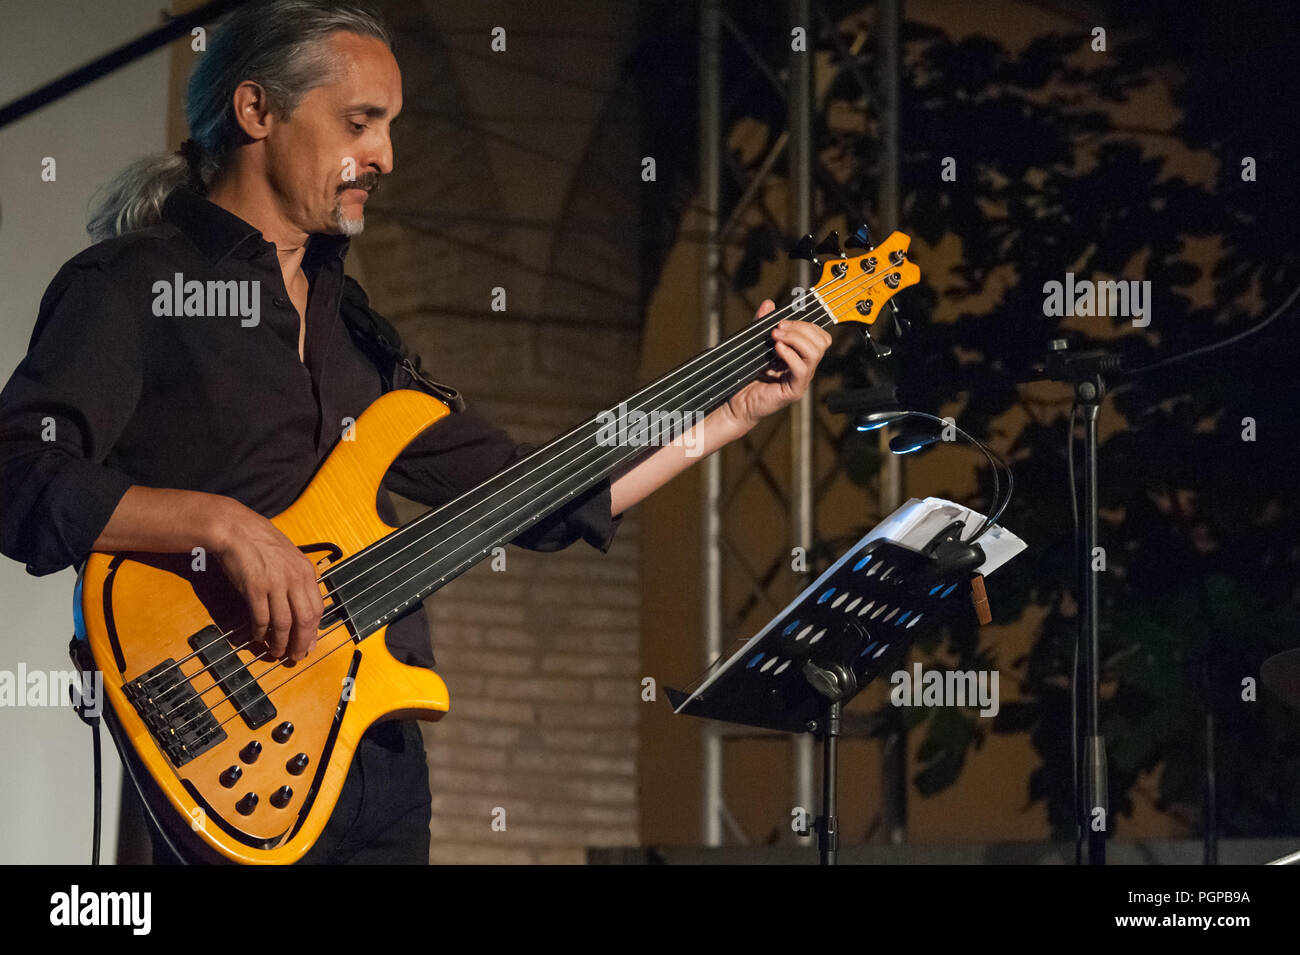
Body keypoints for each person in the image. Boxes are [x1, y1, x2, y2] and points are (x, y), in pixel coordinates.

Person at [0, 0, 832, 864]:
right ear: (256, 111)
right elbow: (17, 472)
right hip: (220, 757)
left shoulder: (358, 332)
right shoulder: (131, 286)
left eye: (389, 128)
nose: (385, 157)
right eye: (360, 123)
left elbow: (534, 497)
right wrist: (220, 525)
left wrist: (731, 415)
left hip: (379, 770)